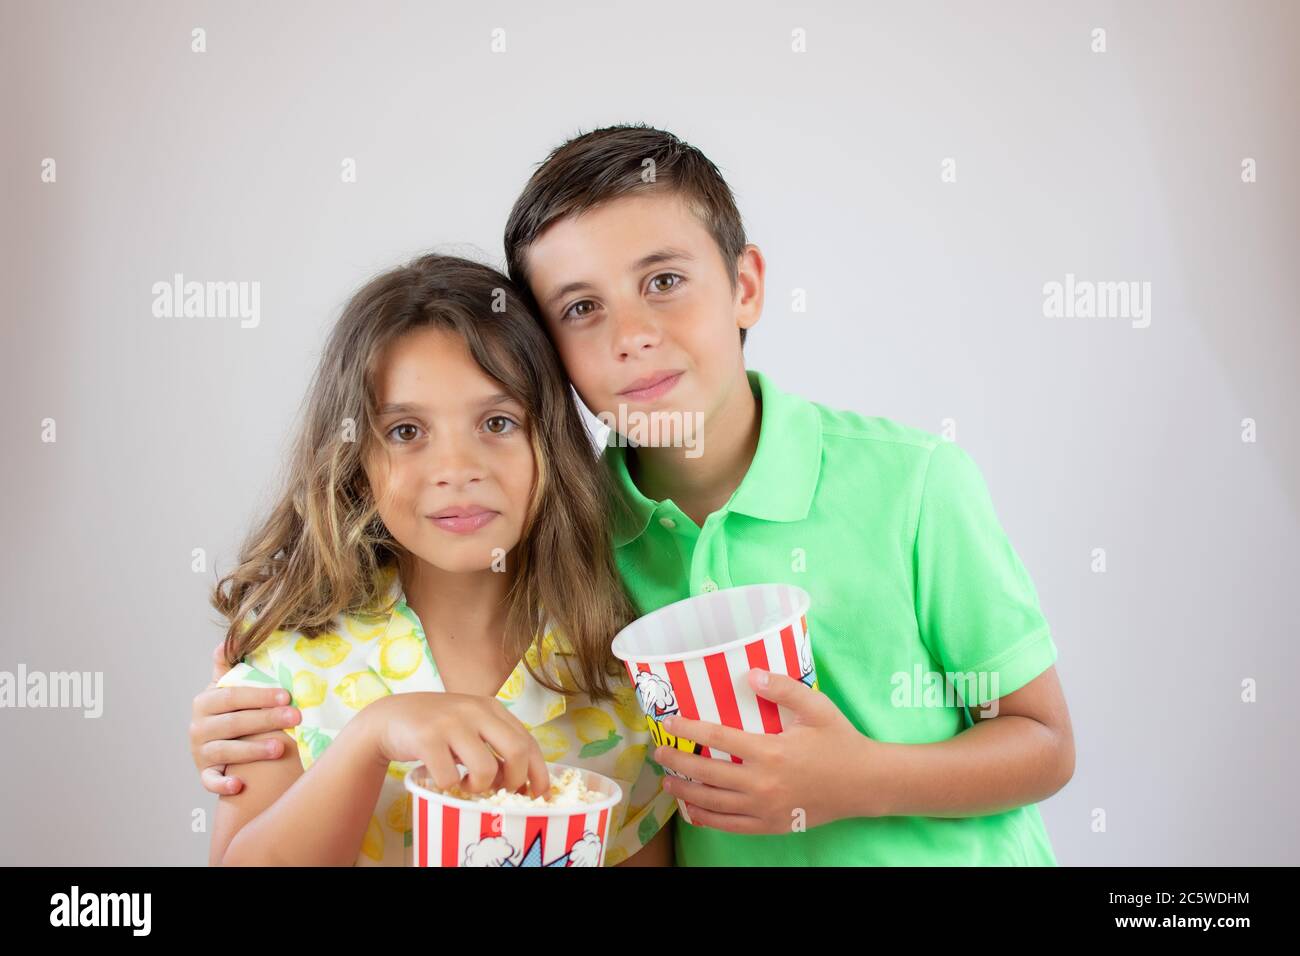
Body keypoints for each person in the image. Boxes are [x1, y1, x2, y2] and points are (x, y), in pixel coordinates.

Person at [202, 254, 674, 866]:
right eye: (405, 432)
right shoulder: (287, 669)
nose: (456, 470)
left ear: (550, 443)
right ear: (355, 458)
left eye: (498, 422)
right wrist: (369, 739)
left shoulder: (617, 675)